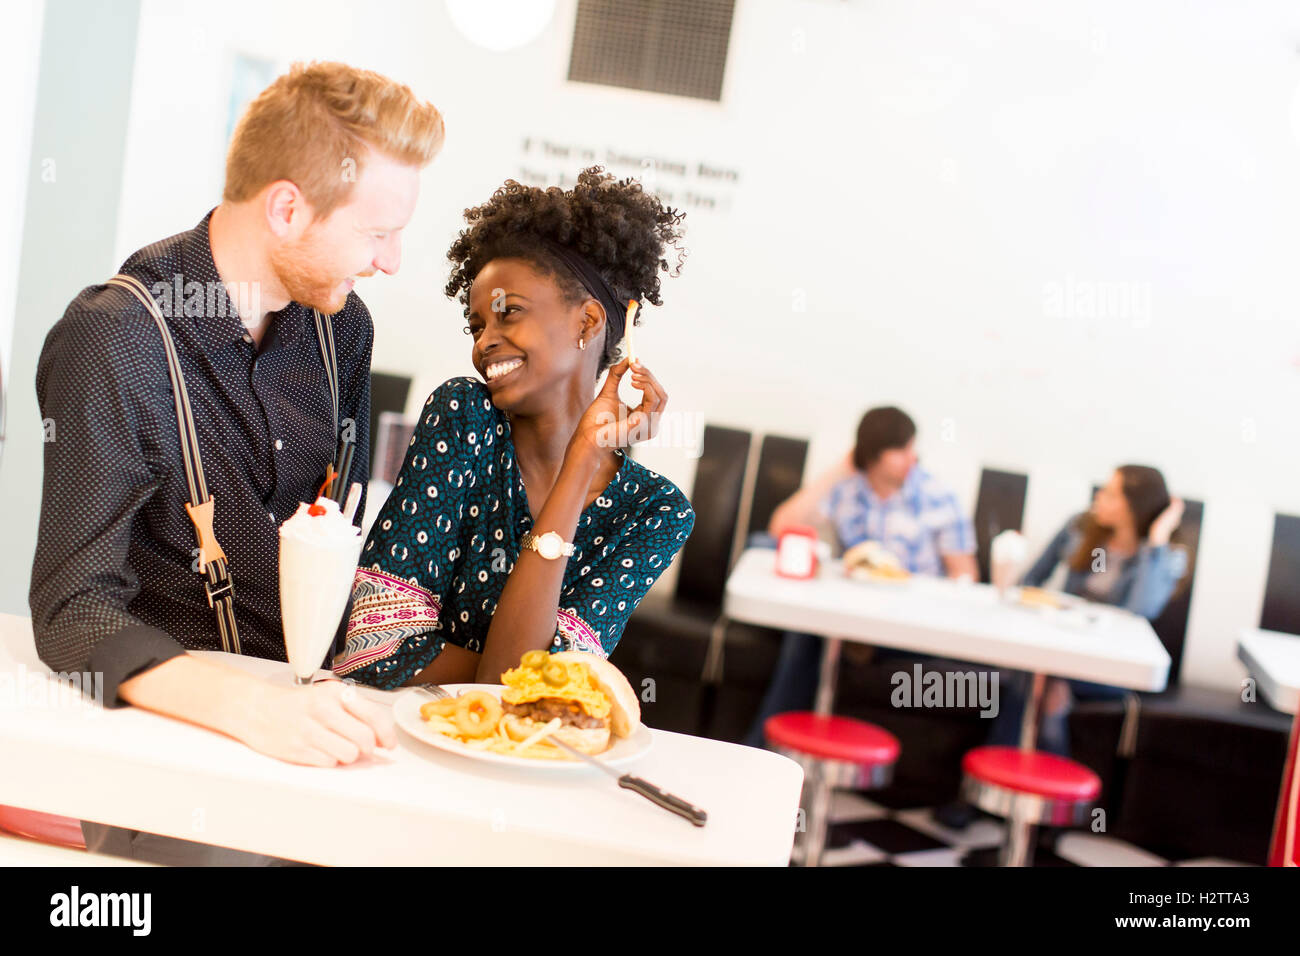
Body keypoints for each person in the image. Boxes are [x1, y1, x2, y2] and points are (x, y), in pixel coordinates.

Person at [29, 62, 444, 862]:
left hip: (318, 730)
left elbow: (329, 536)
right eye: (377, 232)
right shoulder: (116, 339)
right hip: (169, 756)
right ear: (287, 208)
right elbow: (72, 610)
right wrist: (251, 710)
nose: (391, 261)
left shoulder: (342, 329)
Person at [335, 168, 694, 687]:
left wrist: (581, 463)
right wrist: (515, 677)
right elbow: (373, 653)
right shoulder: (463, 417)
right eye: (477, 325)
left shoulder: (654, 513)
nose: (484, 343)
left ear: (588, 323)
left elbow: (526, 688)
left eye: (509, 315)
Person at [742, 406, 976, 748]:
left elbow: (965, 574)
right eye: (900, 450)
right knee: (774, 563)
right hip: (851, 612)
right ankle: (778, 748)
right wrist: (840, 468)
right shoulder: (847, 489)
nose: (912, 458)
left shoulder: (935, 496)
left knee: (809, 633)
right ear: (872, 455)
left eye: (912, 447)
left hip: (907, 622)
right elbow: (781, 528)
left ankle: (762, 751)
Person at [987, 464, 1188, 756]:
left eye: (1110, 493)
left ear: (1133, 506)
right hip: (1062, 650)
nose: (1099, 497)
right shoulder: (1079, 528)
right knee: (1045, 678)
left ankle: (998, 778)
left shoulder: (1165, 557)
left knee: (1043, 678)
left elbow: (1140, 609)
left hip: (1109, 666)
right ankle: (1045, 791)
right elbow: (1030, 581)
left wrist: (1157, 538)